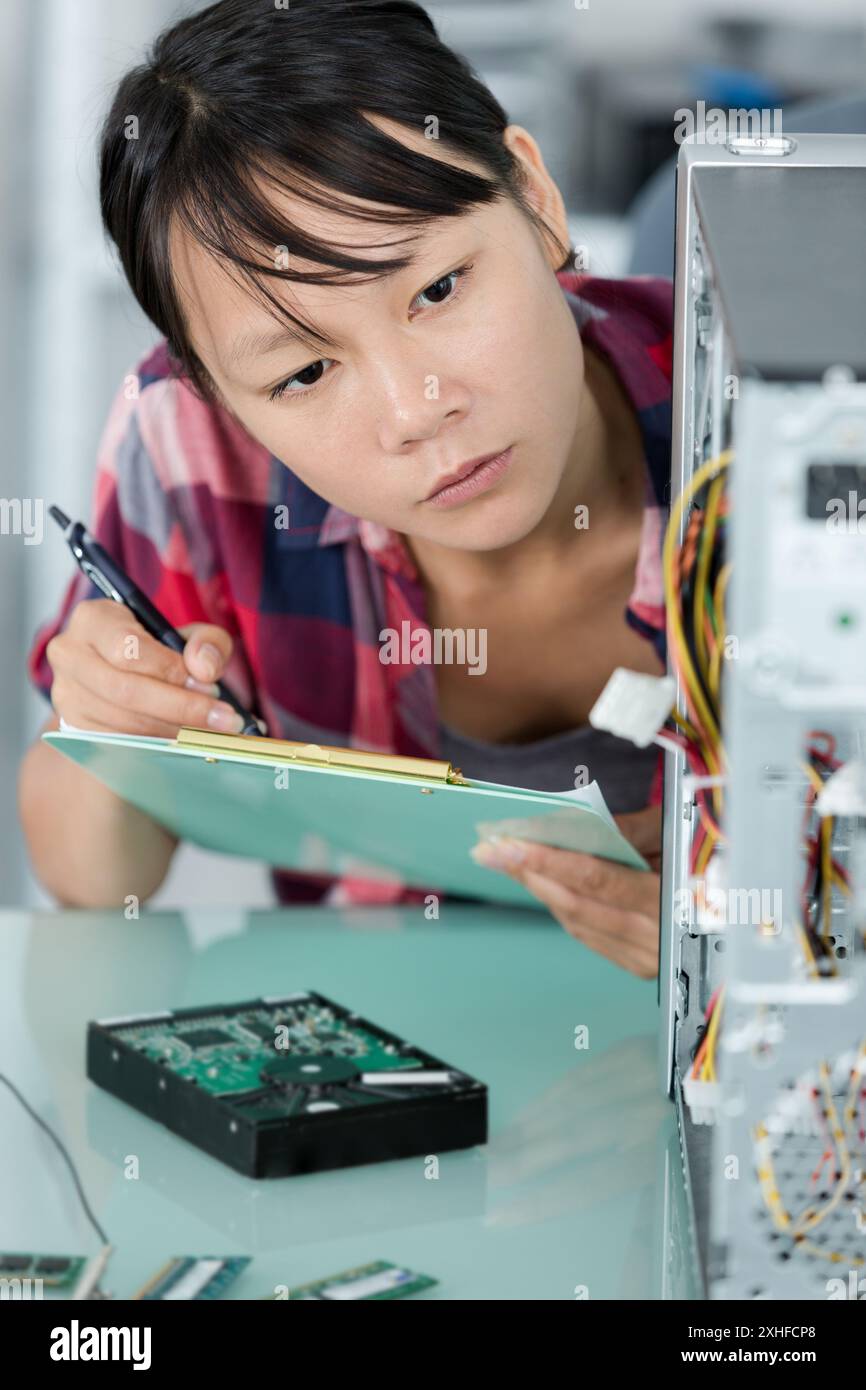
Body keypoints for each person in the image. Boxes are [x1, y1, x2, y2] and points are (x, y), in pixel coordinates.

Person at [19, 0, 672, 978]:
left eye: (438, 290)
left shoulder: (771, 416)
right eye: (302, 374)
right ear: (216, 395)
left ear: (534, 201)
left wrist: (775, 940)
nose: (415, 409)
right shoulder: (188, 445)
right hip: (382, 1077)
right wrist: (108, 728)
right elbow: (96, 880)